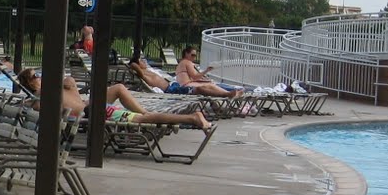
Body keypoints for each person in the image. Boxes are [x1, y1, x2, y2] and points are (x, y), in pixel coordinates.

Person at [17, 67, 212, 131]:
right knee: (143, 120)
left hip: (88, 105)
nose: (40, 76)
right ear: (30, 83)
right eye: (36, 76)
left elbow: (69, 81)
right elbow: (39, 109)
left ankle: (146, 113)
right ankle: (192, 118)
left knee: (118, 88)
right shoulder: (39, 99)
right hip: (91, 112)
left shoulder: (55, 88)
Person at [130, 53, 240, 99]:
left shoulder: (148, 70)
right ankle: (227, 94)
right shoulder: (143, 74)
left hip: (174, 85)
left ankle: (228, 93)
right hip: (171, 90)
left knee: (206, 85)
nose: (144, 62)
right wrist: (134, 63)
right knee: (200, 89)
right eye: (141, 61)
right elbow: (134, 66)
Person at [175, 46, 244, 97]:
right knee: (210, 85)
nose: (194, 57)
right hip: (187, 86)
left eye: (195, 56)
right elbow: (195, 77)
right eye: (192, 55)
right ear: (186, 54)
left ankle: (228, 94)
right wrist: (207, 70)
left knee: (210, 84)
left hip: (184, 86)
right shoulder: (187, 62)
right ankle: (229, 94)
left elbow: (192, 77)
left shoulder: (181, 63)